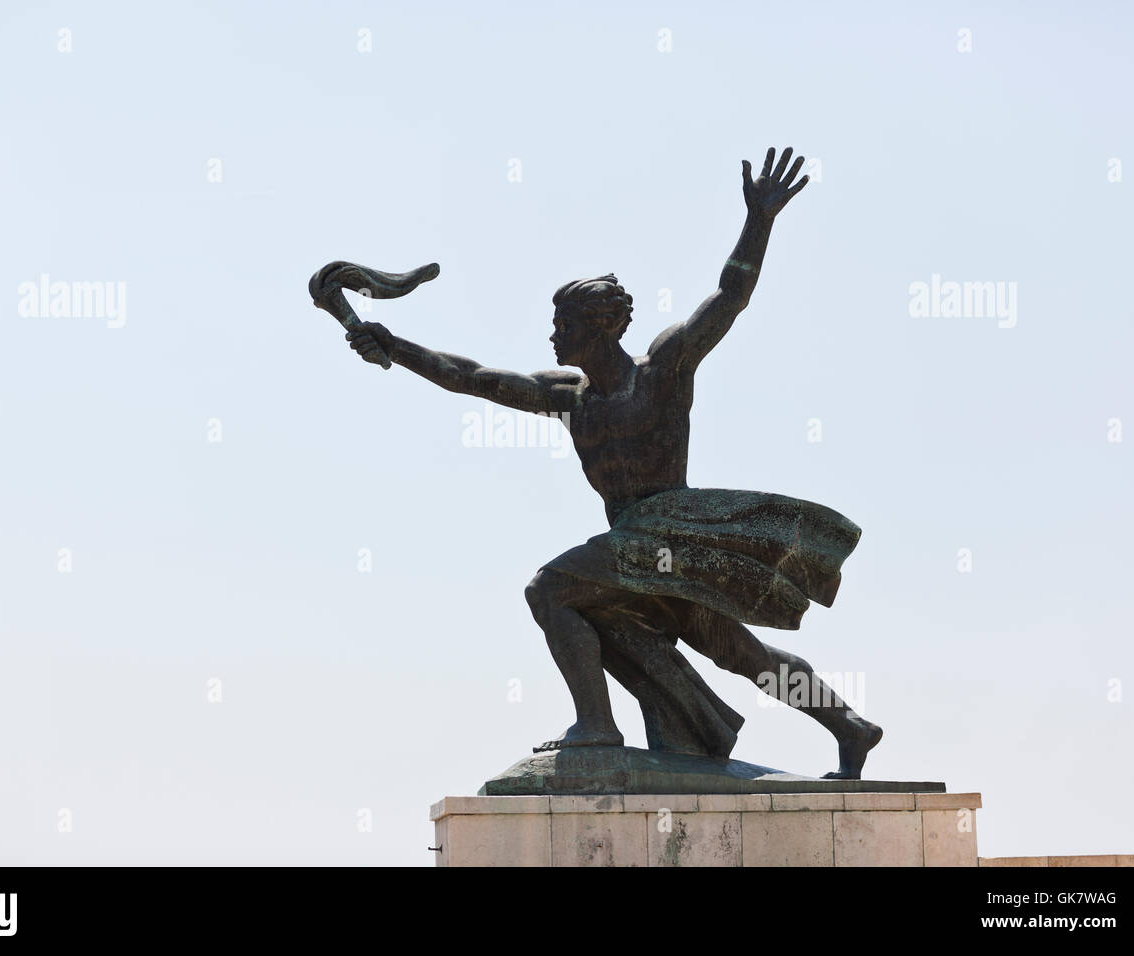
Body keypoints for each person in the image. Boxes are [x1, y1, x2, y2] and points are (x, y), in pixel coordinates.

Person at [345, 147, 881, 778]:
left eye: (562, 324)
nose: (553, 336)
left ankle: (596, 726)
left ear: (598, 327)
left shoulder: (663, 371)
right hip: (639, 547)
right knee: (737, 650)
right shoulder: (567, 396)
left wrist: (758, 220)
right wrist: (394, 345)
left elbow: (729, 296)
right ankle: (848, 724)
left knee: (551, 589)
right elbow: (473, 378)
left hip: (669, 532)